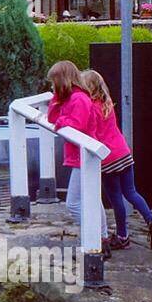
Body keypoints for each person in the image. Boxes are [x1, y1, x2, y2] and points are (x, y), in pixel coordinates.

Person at [80, 69, 152, 251]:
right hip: (123, 153)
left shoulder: (90, 108)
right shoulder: (107, 103)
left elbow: (92, 134)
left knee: (116, 198)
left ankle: (122, 236)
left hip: (107, 158)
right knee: (131, 192)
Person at [46, 60, 109, 238]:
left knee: (73, 203)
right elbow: (52, 117)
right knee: (93, 200)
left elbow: (77, 125)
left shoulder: (79, 98)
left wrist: (61, 121)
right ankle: (102, 236)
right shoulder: (72, 97)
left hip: (84, 157)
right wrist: (56, 99)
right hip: (81, 157)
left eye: (54, 82)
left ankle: (94, 235)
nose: (52, 86)